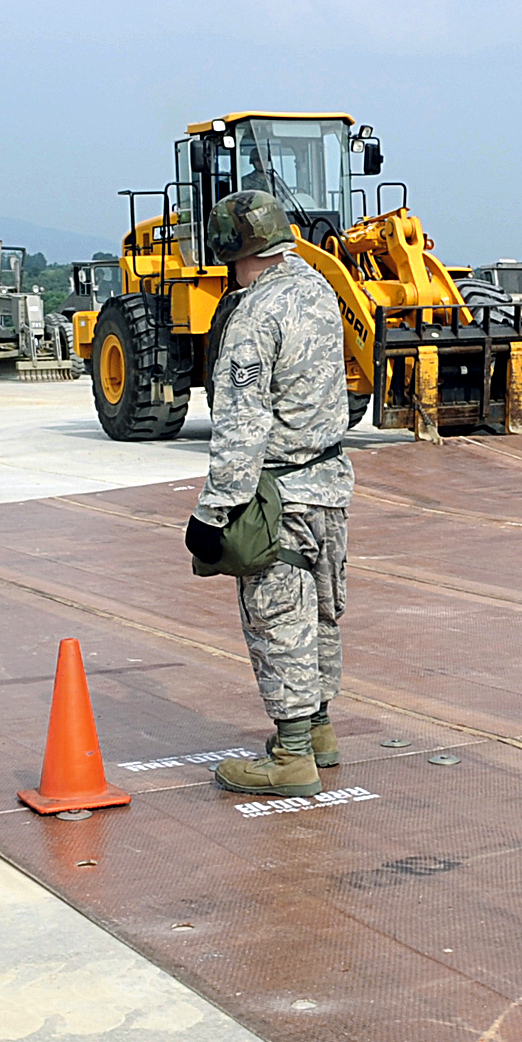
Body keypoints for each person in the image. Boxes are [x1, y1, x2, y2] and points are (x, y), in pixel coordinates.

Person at [184, 191, 353, 798]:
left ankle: (292, 756)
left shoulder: (254, 316)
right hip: (330, 483)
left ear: (229, 248)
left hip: (278, 493)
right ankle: (322, 731)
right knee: (322, 612)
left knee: (279, 617)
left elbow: (240, 423)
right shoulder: (318, 291)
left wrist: (213, 511)